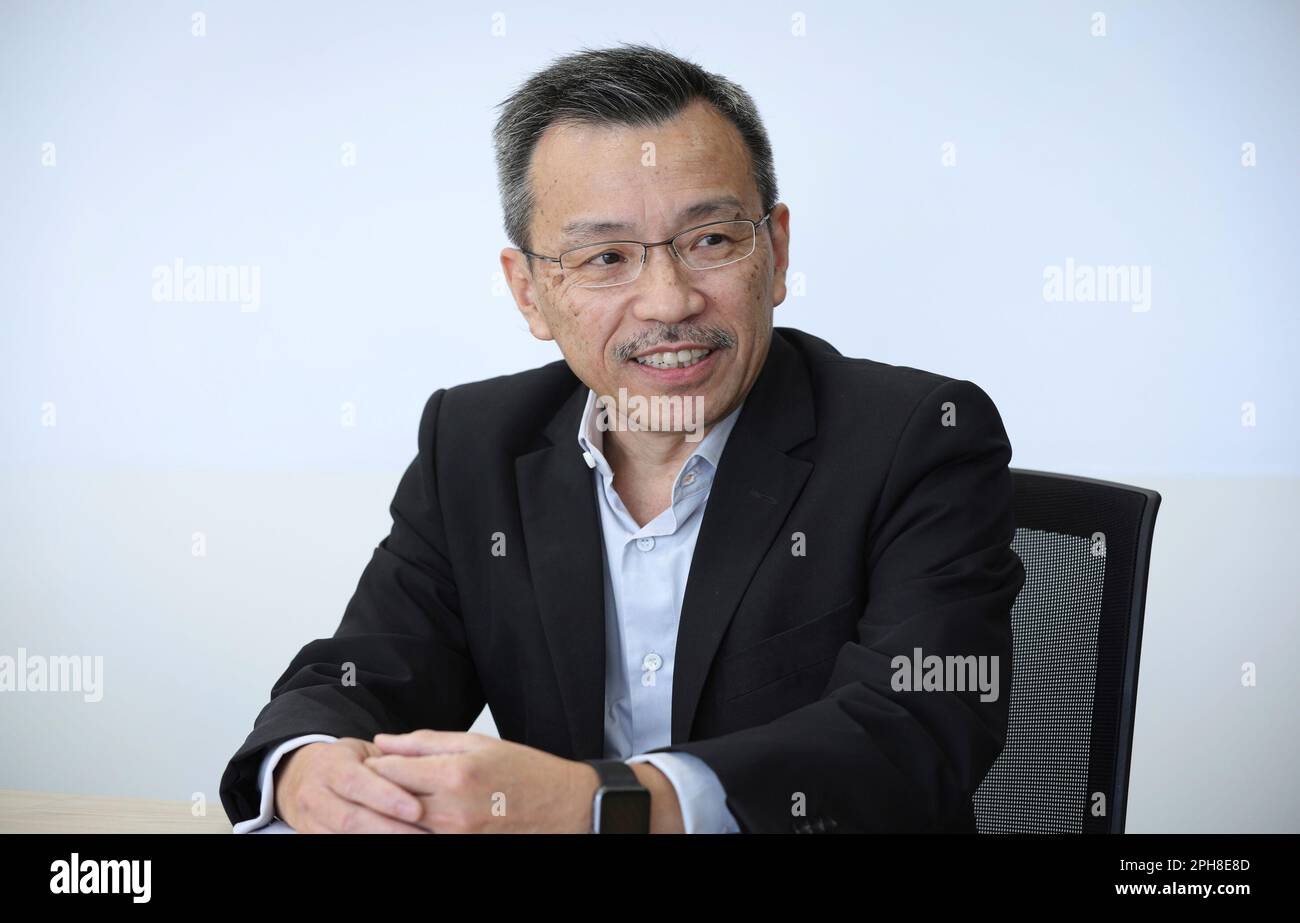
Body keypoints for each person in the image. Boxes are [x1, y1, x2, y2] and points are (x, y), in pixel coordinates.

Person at [220, 42, 1024, 834]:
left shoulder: (917, 439)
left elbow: (918, 728)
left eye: (710, 239)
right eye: (605, 256)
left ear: (775, 252)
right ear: (530, 292)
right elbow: (364, 673)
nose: (668, 301)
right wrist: (305, 764)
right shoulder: (472, 444)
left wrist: (605, 804)